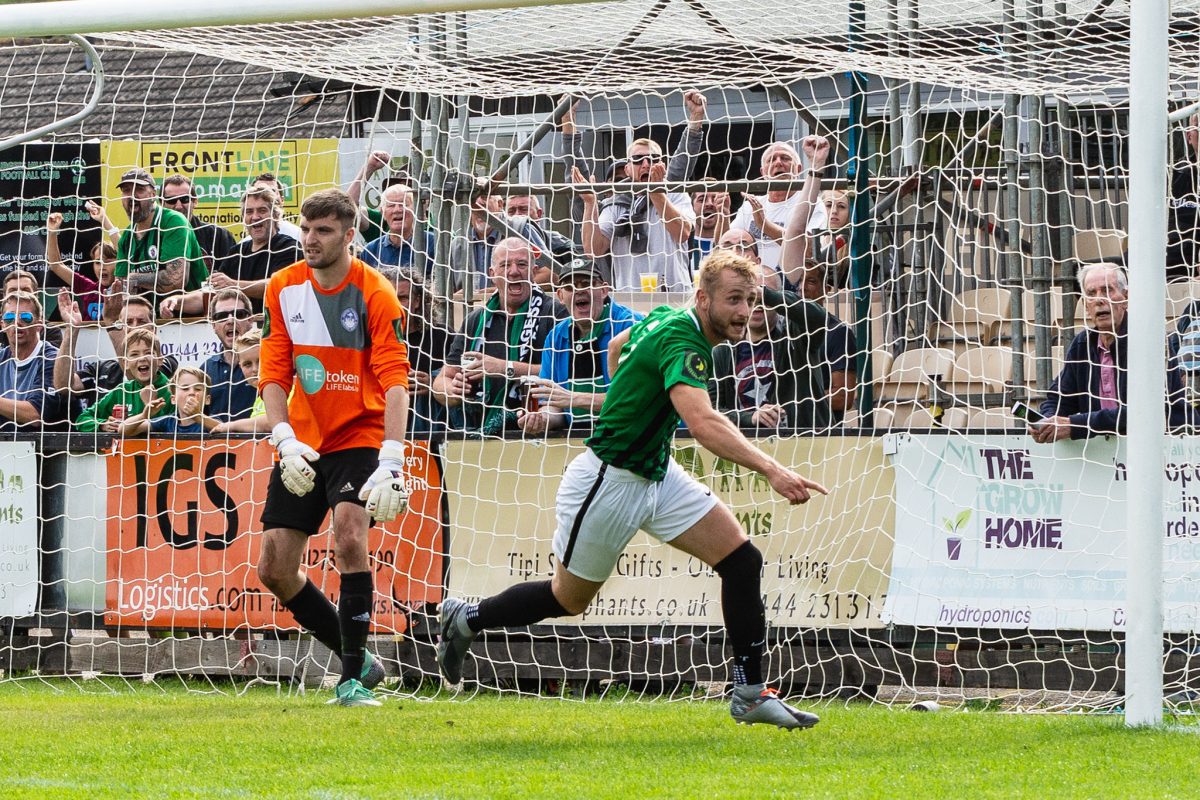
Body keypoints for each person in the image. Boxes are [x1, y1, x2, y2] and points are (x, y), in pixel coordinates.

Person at [437, 249, 829, 730]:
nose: (745, 312)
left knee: (742, 561)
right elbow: (703, 422)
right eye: (734, 300)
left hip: (657, 473)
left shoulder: (666, 314)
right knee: (567, 599)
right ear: (703, 298)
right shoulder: (684, 340)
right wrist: (773, 469)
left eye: (749, 300)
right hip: (610, 479)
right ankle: (467, 617)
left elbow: (619, 345)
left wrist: (629, 392)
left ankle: (749, 693)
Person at [255, 188, 412, 707]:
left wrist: (392, 458)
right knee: (274, 569)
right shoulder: (282, 287)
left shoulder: (375, 292)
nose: (310, 239)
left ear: (349, 236)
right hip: (302, 441)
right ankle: (361, 661)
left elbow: (394, 381)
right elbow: (273, 376)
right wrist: (283, 440)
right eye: (306, 228)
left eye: (323, 231)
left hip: (359, 437)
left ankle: (348, 681)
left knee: (349, 539)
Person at [1031, 263, 1190, 442]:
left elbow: (1144, 411)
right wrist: (1047, 422)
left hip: (1167, 448)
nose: (1099, 300)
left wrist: (1075, 425)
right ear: (1085, 305)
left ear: (1126, 297)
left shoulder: (1150, 341)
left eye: (1107, 291)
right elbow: (1059, 398)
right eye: (1091, 294)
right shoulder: (1082, 344)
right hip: (1105, 452)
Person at [431, 237, 563, 436]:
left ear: (534, 271)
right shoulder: (475, 320)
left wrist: (504, 368)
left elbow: (564, 375)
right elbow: (442, 380)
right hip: (479, 433)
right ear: (492, 274)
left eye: (521, 264)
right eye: (505, 265)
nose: (513, 271)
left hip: (540, 433)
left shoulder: (556, 313)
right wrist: (454, 391)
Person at [709, 235, 833, 432]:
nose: (756, 303)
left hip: (803, 443)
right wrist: (751, 418)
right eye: (748, 298)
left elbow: (819, 318)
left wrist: (766, 294)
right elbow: (713, 410)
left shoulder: (797, 336)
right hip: (747, 446)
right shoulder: (722, 350)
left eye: (760, 296)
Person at [517, 257, 641, 435]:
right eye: (570, 287)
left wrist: (572, 398)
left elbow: (634, 401)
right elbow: (553, 406)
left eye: (587, 283)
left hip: (633, 437)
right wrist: (541, 420)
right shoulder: (556, 338)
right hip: (577, 441)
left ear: (604, 290)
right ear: (560, 296)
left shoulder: (630, 326)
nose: (579, 291)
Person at [577, 137, 695, 292]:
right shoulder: (616, 202)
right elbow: (593, 250)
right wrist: (590, 203)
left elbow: (683, 233)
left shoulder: (675, 194)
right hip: (630, 299)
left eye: (653, 159)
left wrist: (657, 194)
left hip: (674, 295)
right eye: (638, 160)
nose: (646, 164)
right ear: (627, 169)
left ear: (662, 166)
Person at [53, 294, 178, 420]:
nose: (134, 327)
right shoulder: (102, 370)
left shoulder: (165, 362)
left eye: (141, 321)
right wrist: (72, 329)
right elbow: (64, 386)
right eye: (128, 322)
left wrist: (111, 326)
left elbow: (133, 375)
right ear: (120, 327)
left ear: (154, 329)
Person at [730, 140, 829, 273]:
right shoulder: (750, 206)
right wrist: (722, 214)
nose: (778, 163)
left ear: (798, 169)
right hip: (753, 282)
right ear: (763, 172)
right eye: (771, 160)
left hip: (792, 283)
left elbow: (809, 249)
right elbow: (728, 244)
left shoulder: (812, 203)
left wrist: (765, 225)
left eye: (785, 158)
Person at [112, 168, 209, 300]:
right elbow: (121, 292)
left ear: (153, 195)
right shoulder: (127, 237)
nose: (132, 196)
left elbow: (175, 281)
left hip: (187, 317)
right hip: (147, 317)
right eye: (126, 190)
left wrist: (134, 278)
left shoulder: (174, 221)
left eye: (139, 190)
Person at [378, 266, 453, 436]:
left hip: (430, 437)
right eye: (388, 296)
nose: (395, 303)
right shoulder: (367, 340)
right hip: (380, 434)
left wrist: (434, 383)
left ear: (417, 301)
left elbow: (461, 384)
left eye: (402, 298)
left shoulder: (442, 337)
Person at [74, 327, 172, 433]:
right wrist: (102, 424)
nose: (142, 358)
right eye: (134, 354)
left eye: (148, 353)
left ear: (160, 360)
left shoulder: (172, 391)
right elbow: (81, 419)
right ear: (125, 363)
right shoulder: (122, 391)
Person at [797, 262, 857, 425]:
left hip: (823, 433)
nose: (802, 288)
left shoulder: (839, 333)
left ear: (826, 289)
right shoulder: (780, 331)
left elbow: (843, 398)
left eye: (811, 281)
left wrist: (796, 402)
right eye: (798, 281)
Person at [0, 290, 63, 432]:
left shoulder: (53, 359)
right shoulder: (1, 358)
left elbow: (35, 415)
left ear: (39, 325)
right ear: (2, 324)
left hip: (47, 450)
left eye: (26, 317)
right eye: (10, 317)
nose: (17, 323)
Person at [46, 212, 116, 322]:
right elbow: (56, 265)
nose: (102, 267)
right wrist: (52, 232)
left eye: (107, 262)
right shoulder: (88, 288)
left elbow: (125, 254)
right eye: (97, 262)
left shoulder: (126, 288)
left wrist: (104, 220)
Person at [201, 288, 258, 422]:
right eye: (221, 316)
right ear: (213, 325)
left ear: (250, 320)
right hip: (215, 442)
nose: (231, 320)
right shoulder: (206, 369)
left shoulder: (267, 363)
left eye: (238, 314)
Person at [160, 174, 237, 272]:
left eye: (185, 199)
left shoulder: (219, 236)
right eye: (171, 200)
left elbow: (232, 278)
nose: (178, 206)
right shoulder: (151, 236)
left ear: (195, 201)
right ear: (161, 204)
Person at [119, 365, 218, 436]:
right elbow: (122, 430)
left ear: (207, 399)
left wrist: (199, 417)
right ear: (173, 399)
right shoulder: (168, 421)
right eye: (185, 388)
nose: (191, 392)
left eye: (197, 389)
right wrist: (144, 415)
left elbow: (226, 431)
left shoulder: (210, 422)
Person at [359, 184, 434, 272]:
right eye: (391, 205)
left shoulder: (433, 244)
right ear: (383, 213)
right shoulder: (371, 251)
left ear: (416, 210)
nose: (397, 210)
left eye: (403, 204)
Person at [212, 329, 268, 435]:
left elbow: (272, 422)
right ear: (240, 366)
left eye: (260, 361)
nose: (255, 369)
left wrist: (232, 426)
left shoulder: (287, 390)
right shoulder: (260, 397)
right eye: (247, 364)